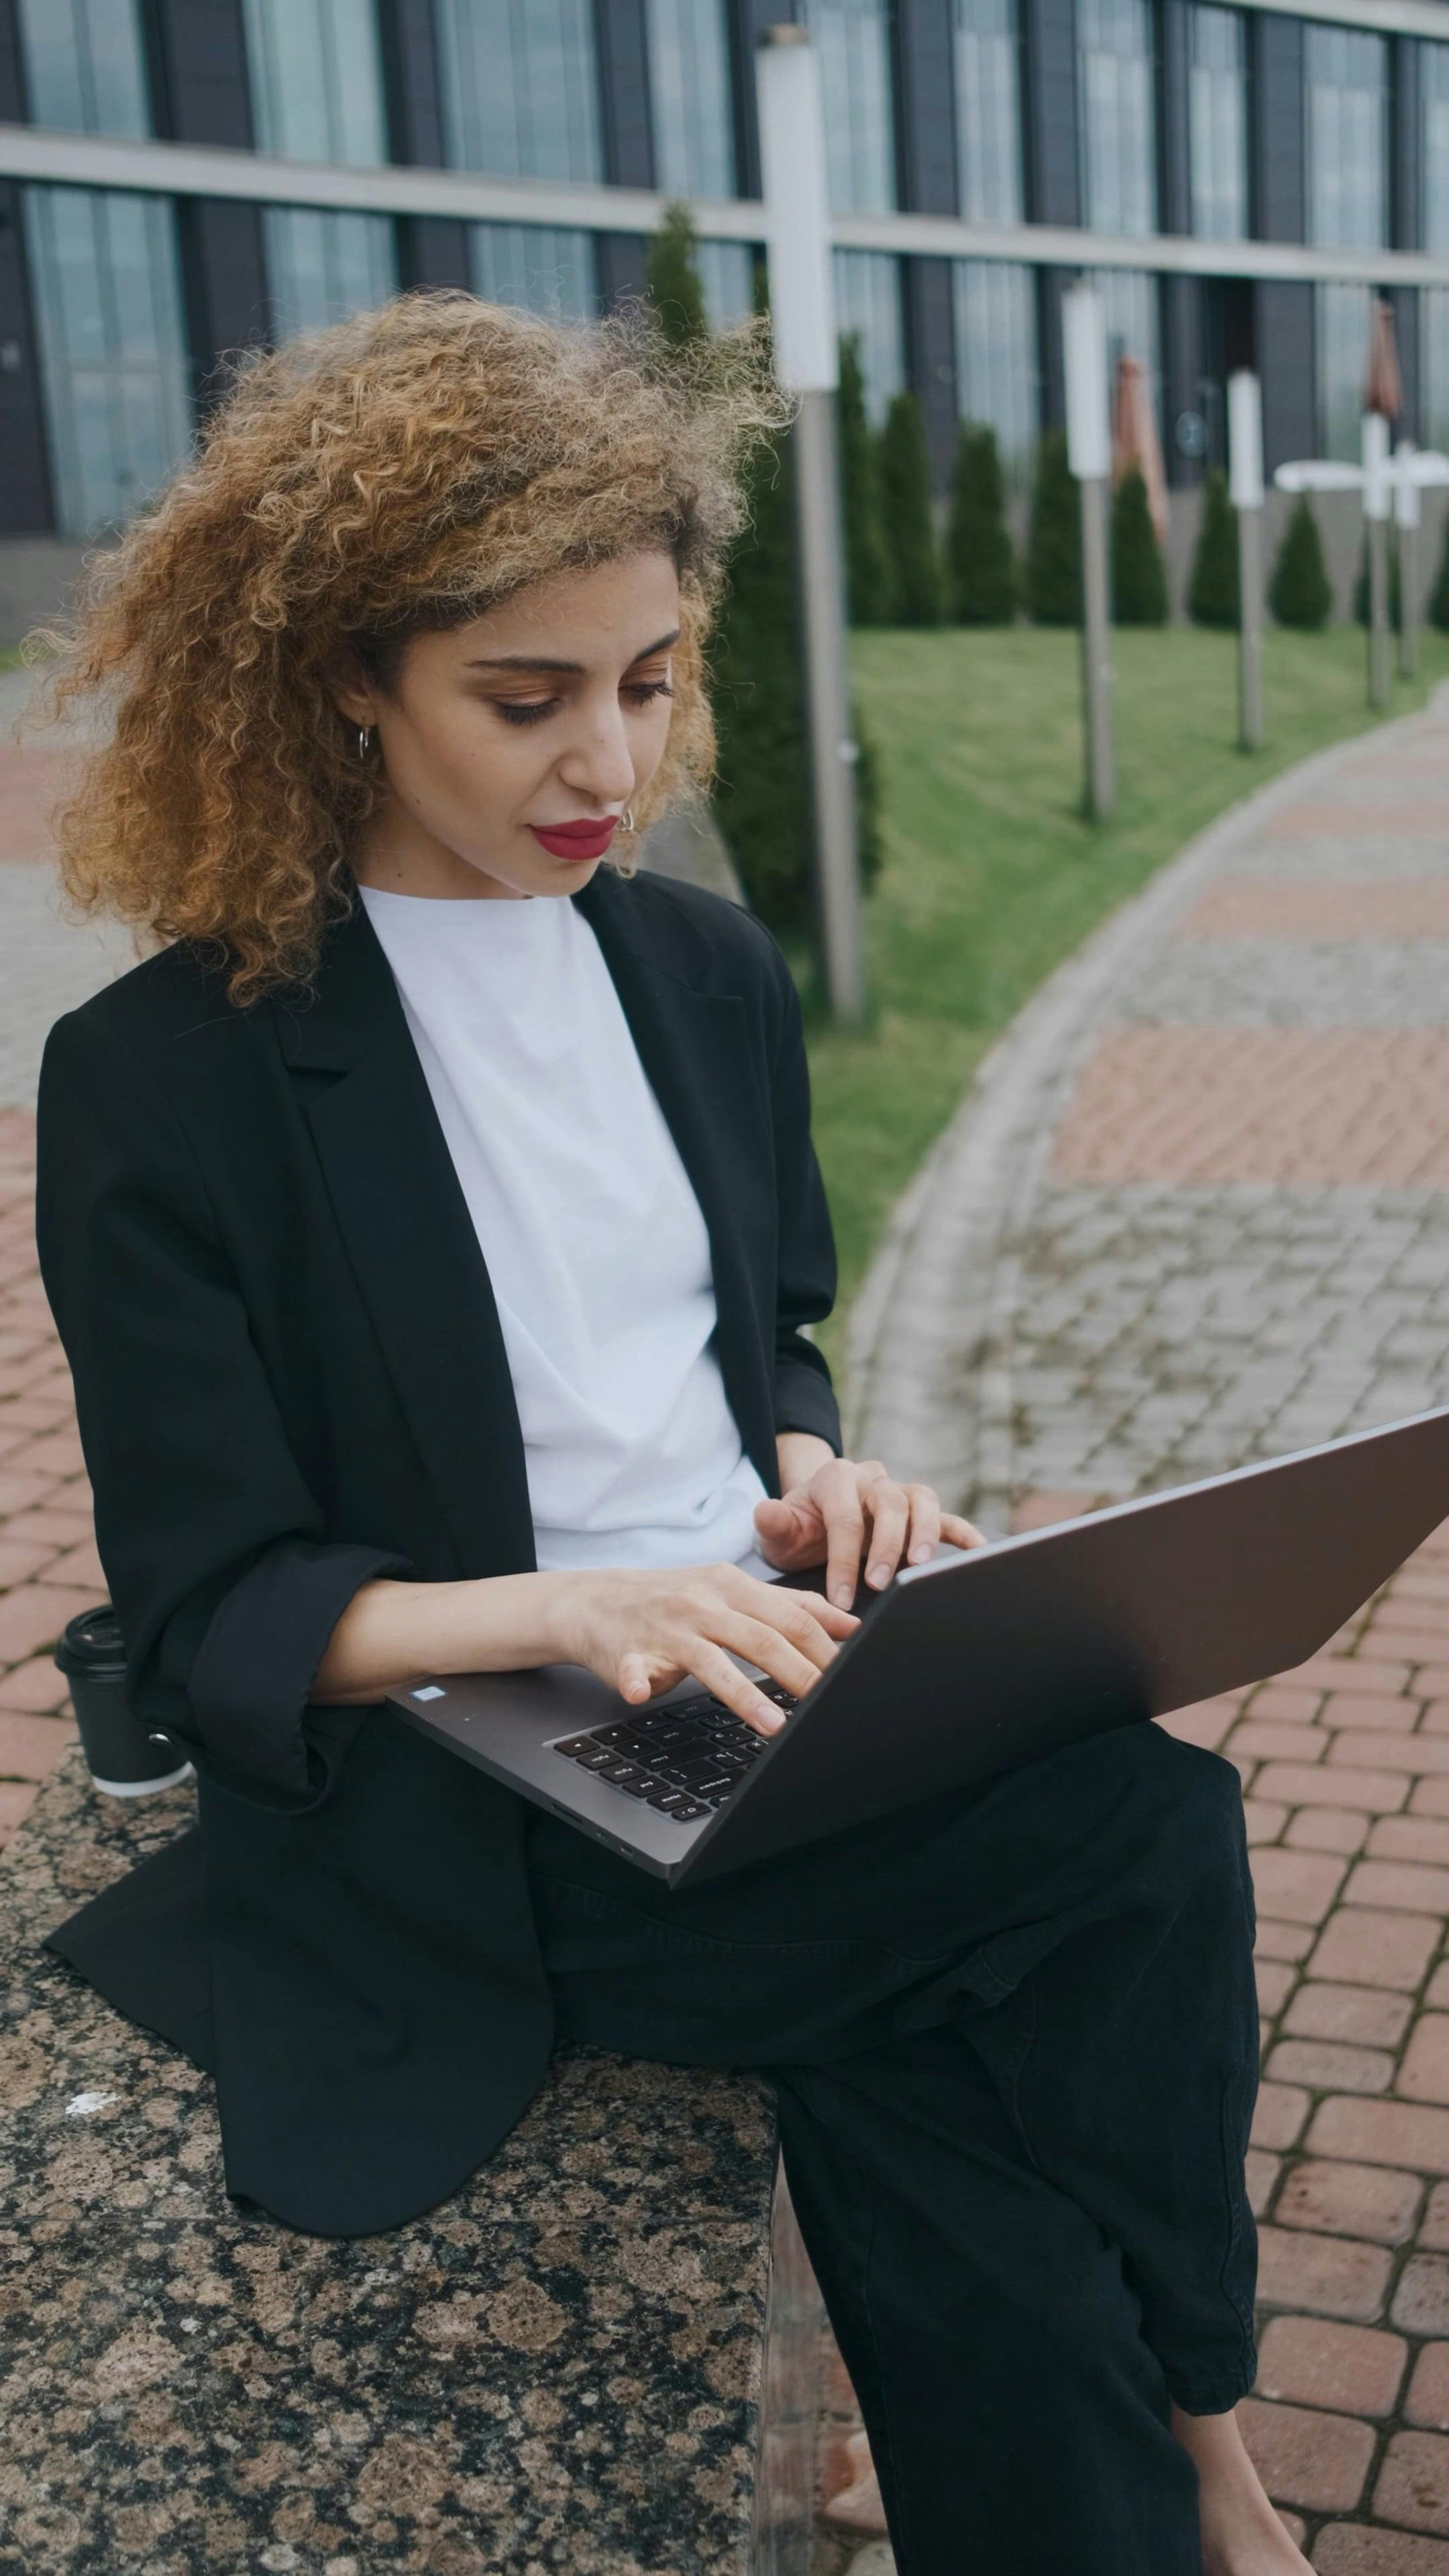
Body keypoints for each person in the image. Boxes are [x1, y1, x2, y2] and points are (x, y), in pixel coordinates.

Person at [33, 293, 1293, 2576]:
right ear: (346, 676)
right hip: (470, 1789)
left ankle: (1135, 2460)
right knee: (1134, 1838)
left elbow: (754, 1348)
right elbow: (219, 1611)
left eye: (643, 679)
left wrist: (816, 1472)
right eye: (522, 699)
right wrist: (582, 1603)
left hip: (755, 1670)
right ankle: (1202, 2420)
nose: (604, 760)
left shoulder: (698, 970)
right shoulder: (168, 1081)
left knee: (980, 2053)